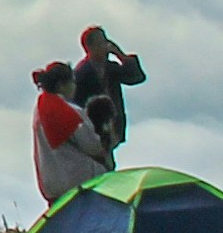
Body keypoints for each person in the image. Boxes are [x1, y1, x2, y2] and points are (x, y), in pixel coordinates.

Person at [69, 26, 145, 166]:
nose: (106, 45)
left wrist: (121, 55)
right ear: (90, 47)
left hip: (112, 128)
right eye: (101, 42)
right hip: (93, 131)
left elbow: (136, 77)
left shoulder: (110, 68)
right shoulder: (81, 73)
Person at [29, 63, 102, 205]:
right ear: (62, 85)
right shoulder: (71, 112)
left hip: (51, 181)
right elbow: (93, 146)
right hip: (78, 179)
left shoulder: (39, 110)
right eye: (72, 82)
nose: (75, 86)